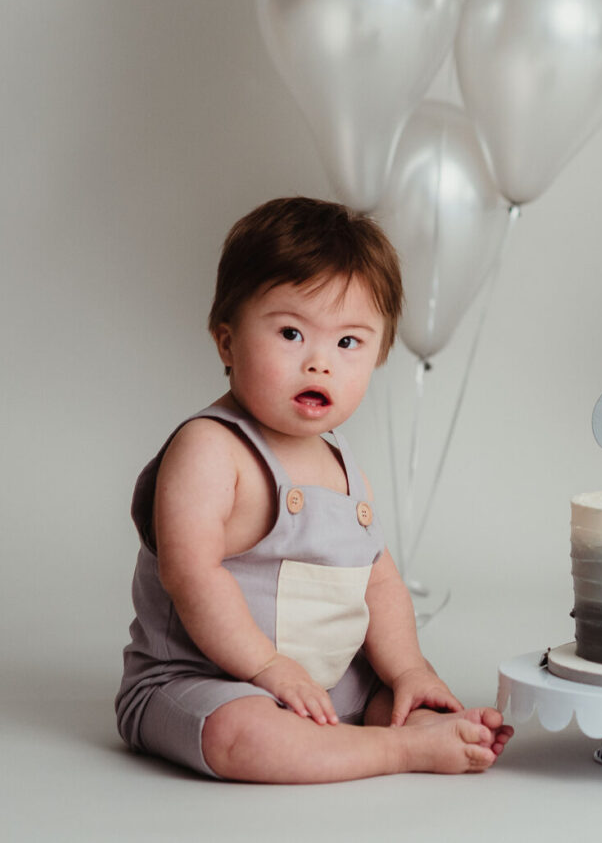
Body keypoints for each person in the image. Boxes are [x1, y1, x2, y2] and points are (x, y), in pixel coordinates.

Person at [115, 196, 511, 781]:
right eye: (292, 333)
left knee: (391, 699)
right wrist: (268, 667)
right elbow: (190, 574)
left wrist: (409, 673)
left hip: (323, 685)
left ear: (378, 354)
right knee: (240, 733)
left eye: (348, 343)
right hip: (205, 683)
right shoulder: (210, 448)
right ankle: (397, 751)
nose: (319, 362)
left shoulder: (342, 463)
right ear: (228, 342)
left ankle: (418, 726)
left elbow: (379, 580)